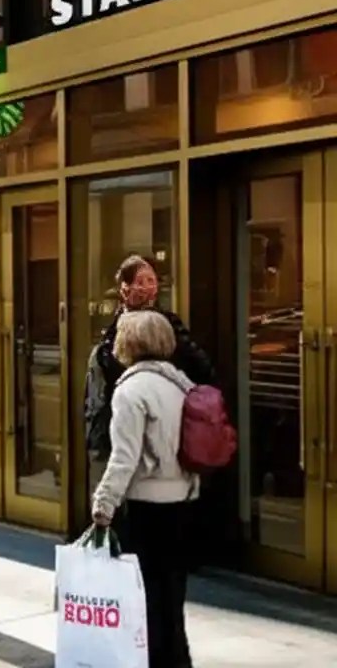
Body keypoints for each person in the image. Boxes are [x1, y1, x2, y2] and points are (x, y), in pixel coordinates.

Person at [91, 310, 198, 667]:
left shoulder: (130, 391)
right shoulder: (181, 384)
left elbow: (124, 457)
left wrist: (103, 504)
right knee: (173, 595)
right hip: (182, 501)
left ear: (129, 343)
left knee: (145, 597)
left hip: (145, 506)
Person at [85, 255, 214, 461]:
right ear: (124, 289)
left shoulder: (168, 325)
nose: (146, 289)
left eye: (151, 281)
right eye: (139, 282)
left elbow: (199, 366)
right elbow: (106, 374)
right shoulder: (116, 329)